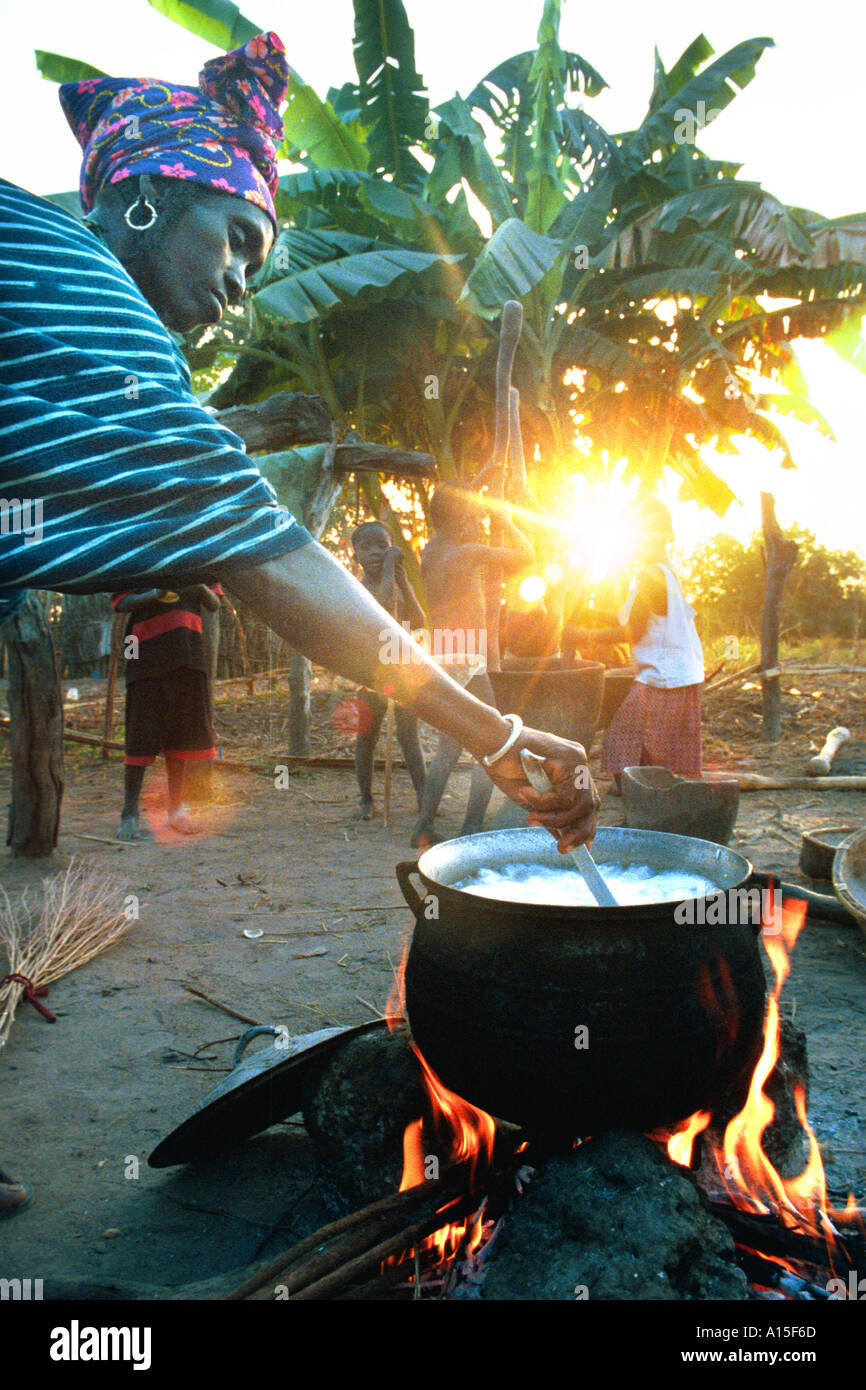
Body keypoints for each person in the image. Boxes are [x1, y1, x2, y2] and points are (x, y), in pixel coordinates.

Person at [0, 33, 597, 1210]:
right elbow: (258, 544)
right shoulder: (72, 279)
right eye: (233, 240)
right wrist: (490, 729)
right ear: (133, 198)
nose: (238, 285)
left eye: (260, 260)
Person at [412, 482, 535, 847]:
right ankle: (471, 826)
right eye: (473, 513)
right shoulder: (467, 552)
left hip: (444, 652)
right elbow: (526, 555)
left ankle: (423, 825)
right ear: (464, 517)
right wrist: (506, 519)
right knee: (491, 741)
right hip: (468, 654)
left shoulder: (431, 551)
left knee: (449, 746)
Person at [576, 499, 704, 785]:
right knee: (653, 746)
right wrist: (588, 613)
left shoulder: (652, 576)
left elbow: (631, 631)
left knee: (623, 738)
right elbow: (629, 618)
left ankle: (638, 801)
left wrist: (583, 634)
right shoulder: (660, 572)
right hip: (675, 673)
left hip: (664, 676)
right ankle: (648, 798)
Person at [112, 583, 222, 839]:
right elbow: (120, 602)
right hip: (144, 658)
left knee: (181, 737)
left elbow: (214, 604)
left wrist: (197, 583)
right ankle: (129, 814)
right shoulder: (140, 557)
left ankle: (176, 811)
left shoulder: (199, 560)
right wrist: (154, 594)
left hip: (188, 654)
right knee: (140, 734)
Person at [350, 522, 427, 820]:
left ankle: (425, 799)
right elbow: (382, 606)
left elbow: (418, 621)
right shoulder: (358, 587)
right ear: (355, 555)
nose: (375, 553)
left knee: (409, 736)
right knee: (366, 736)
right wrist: (392, 563)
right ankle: (367, 801)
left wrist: (403, 580)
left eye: (383, 546)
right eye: (366, 547)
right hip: (371, 674)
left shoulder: (393, 582)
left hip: (404, 673)